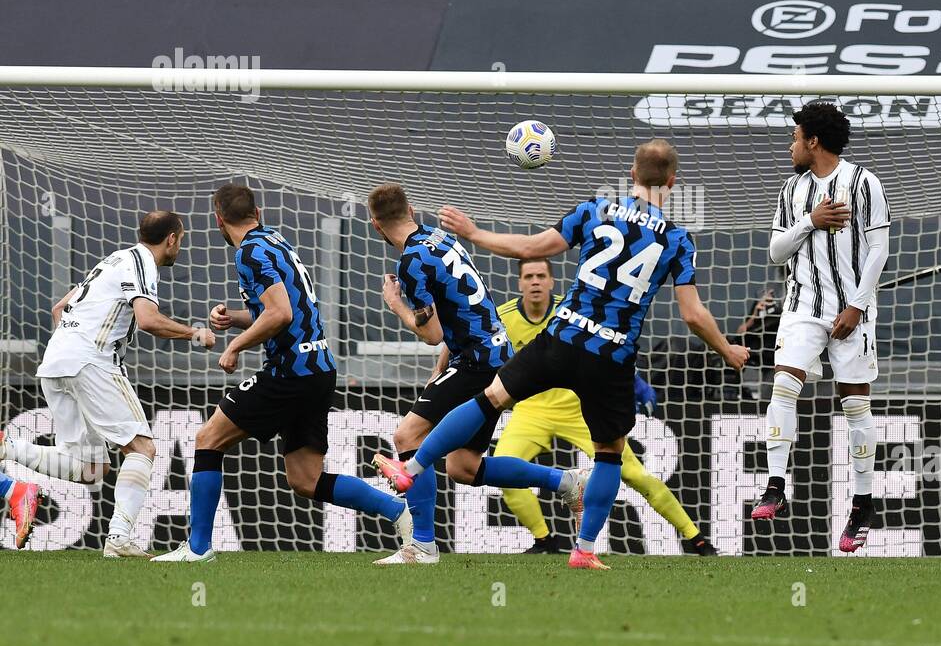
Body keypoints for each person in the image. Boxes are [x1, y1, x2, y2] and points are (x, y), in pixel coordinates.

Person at [375, 139, 748, 569]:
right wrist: (726, 349)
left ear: (631, 174)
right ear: (672, 181)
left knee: (488, 399)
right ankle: (584, 550)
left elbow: (531, 249)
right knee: (609, 452)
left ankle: (413, 468)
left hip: (563, 336)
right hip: (611, 354)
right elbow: (692, 314)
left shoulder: (594, 210)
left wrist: (475, 233)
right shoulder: (678, 240)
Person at [153, 185, 411, 562]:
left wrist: (235, 345)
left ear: (218, 220)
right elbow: (287, 307)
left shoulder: (248, 252)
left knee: (208, 439)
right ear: (257, 213)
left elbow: (280, 314)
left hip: (291, 370)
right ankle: (397, 510)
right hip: (318, 368)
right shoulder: (274, 241)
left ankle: (197, 548)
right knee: (306, 480)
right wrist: (237, 319)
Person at [367, 185, 584, 565]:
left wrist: (395, 304)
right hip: (492, 352)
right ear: (412, 210)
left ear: (375, 225)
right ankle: (565, 482)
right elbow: (459, 309)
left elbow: (431, 333)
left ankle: (422, 546)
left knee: (406, 435)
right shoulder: (440, 237)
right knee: (463, 467)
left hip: (477, 359)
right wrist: (441, 370)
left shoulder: (411, 261)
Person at [0, 211, 215, 557]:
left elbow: (60, 308)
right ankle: (118, 540)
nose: (179, 248)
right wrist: (195, 333)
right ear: (172, 239)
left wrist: (72, 350)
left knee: (89, 468)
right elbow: (147, 320)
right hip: (92, 362)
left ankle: (8, 448)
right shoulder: (143, 262)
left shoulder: (112, 260)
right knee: (142, 449)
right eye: (181, 240)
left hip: (56, 360)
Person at [492, 257, 716, 555]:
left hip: (579, 407)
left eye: (541, 276)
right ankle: (544, 540)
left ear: (552, 281)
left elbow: (605, 347)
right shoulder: (503, 317)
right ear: (519, 283)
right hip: (531, 410)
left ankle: (695, 537)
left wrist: (636, 383)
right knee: (503, 468)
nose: (535, 282)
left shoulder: (571, 312)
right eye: (529, 276)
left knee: (635, 475)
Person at [750, 102, 891, 555]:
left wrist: (856, 305)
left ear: (813, 141)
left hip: (851, 310)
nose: (791, 145)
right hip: (801, 306)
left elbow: (878, 250)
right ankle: (775, 485)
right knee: (783, 388)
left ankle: (863, 501)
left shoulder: (864, 182)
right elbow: (775, 252)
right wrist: (811, 220)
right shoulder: (792, 189)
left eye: (795, 137)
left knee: (854, 406)